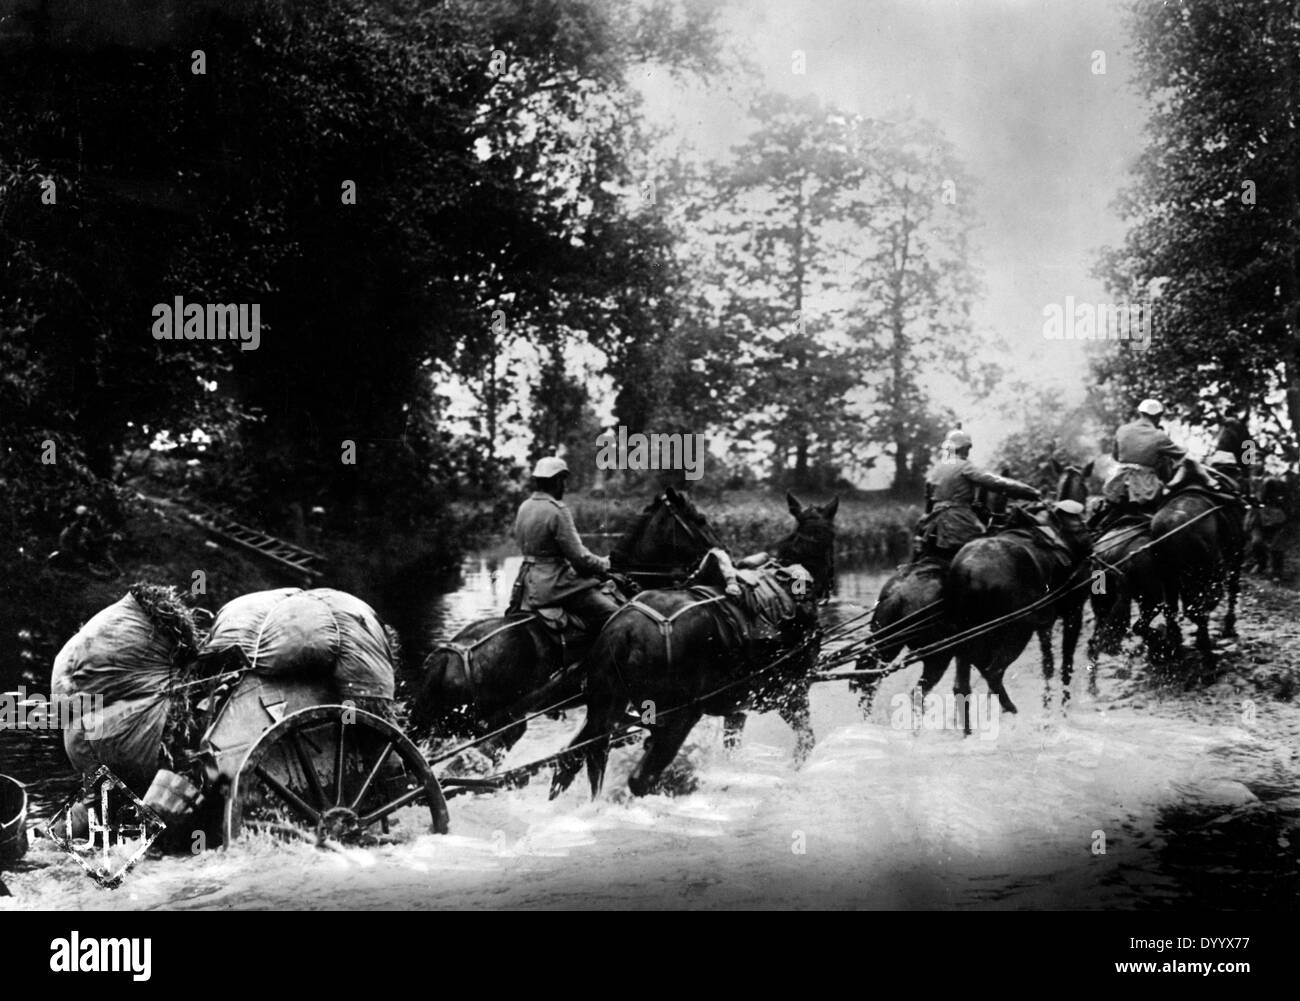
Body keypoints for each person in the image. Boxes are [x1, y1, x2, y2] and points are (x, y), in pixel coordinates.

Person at [507, 456, 621, 631]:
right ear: (557, 481)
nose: (565, 487)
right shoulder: (557, 510)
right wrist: (604, 564)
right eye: (563, 481)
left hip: (524, 584)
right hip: (553, 585)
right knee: (615, 615)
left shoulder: (525, 506)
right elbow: (580, 558)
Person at [915, 430, 1040, 561]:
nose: (968, 452)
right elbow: (995, 482)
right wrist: (1030, 492)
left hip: (933, 523)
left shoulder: (936, 468)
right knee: (988, 546)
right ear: (962, 448)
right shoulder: (964, 466)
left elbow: (928, 500)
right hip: (959, 519)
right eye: (968, 448)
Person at [1098, 399, 1187, 524]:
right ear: (1158, 416)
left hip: (1118, 486)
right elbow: (1183, 456)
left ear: (1140, 413)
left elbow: (1116, 457)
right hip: (1146, 489)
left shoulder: (1122, 430)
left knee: (1103, 516)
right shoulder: (1159, 436)